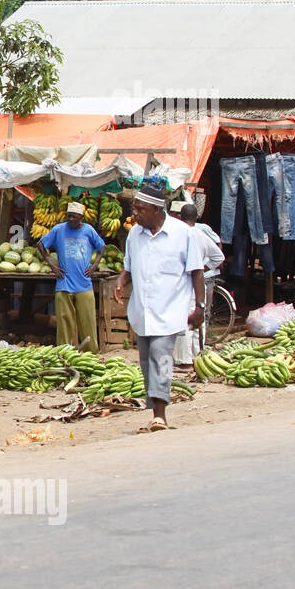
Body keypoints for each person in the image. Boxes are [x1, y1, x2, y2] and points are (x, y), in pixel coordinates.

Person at [115, 185, 205, 433]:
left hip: (170, 311)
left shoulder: (182, 234)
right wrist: (122, 281)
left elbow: (197, 272)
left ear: (157, 210)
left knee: (161, 356)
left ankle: (160, 415)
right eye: (135, 208)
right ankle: (154, 406)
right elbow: (129, 267)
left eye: (140, 209)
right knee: (146, 362)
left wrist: (200, 307)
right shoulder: (134, 235)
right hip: (142, 311)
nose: (135, 213)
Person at [40, 201, 105, 353]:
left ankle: (91, 355)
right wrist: (53, 265)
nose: (70, 219)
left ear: (81, 217)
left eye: (74, 217)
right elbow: (41, 245)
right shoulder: (59, 229)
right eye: (68, 216)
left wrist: (94, 266)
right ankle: (65, 353)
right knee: (64, 324)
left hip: (84, 284)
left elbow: (101, 247)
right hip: (64, 284)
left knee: (87, 322)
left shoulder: (88, 230)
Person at [174, 203, 226, 361]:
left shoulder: (178, 234)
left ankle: (185, 360)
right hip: (199, 284)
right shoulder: (201, 234)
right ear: (196, 218)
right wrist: (204, 267)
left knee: (185, 321)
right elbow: (219, 257)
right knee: (198, 322)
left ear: (180, 218)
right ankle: (198, 357)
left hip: (183, 283)